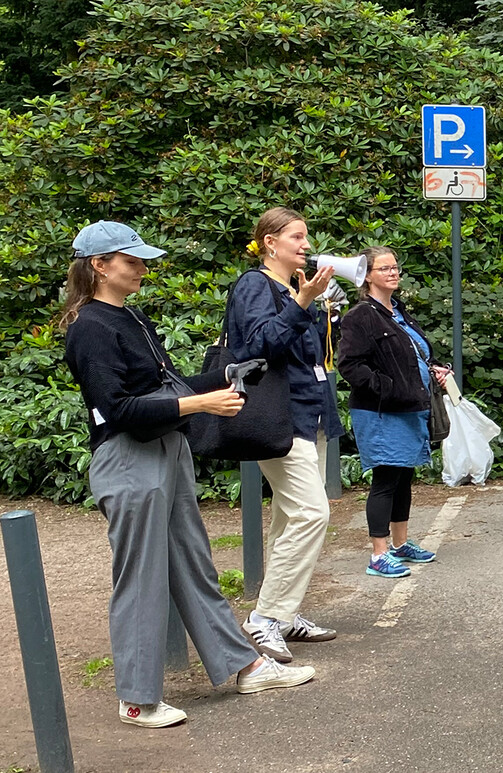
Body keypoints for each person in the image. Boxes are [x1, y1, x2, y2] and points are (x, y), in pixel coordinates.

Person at [62, 221, 315, 728]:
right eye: (130, 261)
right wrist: (203, 402)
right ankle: (136, 699)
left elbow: (166, 386)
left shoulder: (129, 317)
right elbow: (118, 410)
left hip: (167, 449)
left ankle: (244, 666)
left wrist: (225, 375)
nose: (141, 268)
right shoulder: (90, 326)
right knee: (140, 579)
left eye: (141, 260)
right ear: (99, 266)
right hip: (129, 457)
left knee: (195, 565)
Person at [228, 207, 345, 661]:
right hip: (277, 416)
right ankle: (265, 619)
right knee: (311, 514)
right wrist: (301, 305)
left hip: (307, 413)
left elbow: (311, 356)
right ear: (269, 242)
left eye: (307, 236)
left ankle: (286, 611)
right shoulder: (254, 285)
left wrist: (319, 308)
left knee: (286, 517)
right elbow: (256, 347)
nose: (307, 244)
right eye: (297, 236)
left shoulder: (295, 288)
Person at [338, 247, 447, 577]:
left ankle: (400, 545)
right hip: (382, 412)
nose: (393, 273)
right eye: (384, 268)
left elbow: (413, 357)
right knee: (386, 479)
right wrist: (388, 387)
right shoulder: (361, 316)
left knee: (404, 477)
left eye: (395, 267)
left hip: (411, 407)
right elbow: (350, 365)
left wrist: (436, 370)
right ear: (367, 275)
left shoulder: (398, 312)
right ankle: (379, 553)